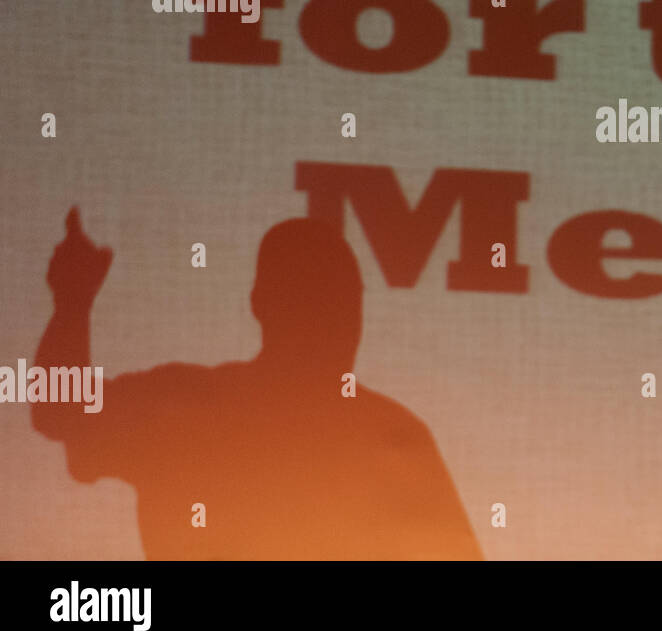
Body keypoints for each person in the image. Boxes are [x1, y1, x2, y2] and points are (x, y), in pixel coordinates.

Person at [34, 209, 483, 559]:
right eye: (317, 298)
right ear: (261, 303)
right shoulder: (189, 405)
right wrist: (70, 307)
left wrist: (72, 305)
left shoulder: (394, 435)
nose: (339, 318)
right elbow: (59, 414)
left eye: (346, 299)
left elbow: (60, 413)